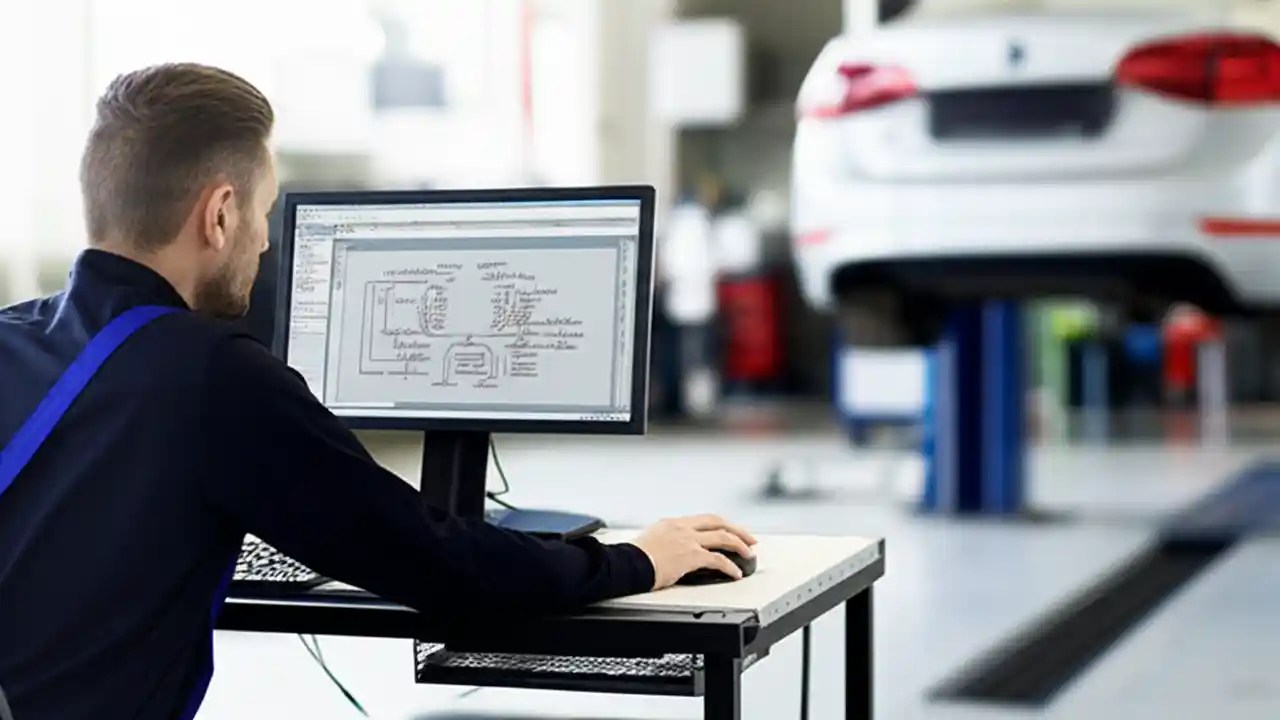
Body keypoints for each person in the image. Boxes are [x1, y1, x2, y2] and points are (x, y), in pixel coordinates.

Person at [0, 63, 757, 720]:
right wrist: (637, 560)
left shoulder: (10, 338)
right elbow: (438, 566)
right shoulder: (212, 376)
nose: (266, 241)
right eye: (263, 212)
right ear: (222, 213)